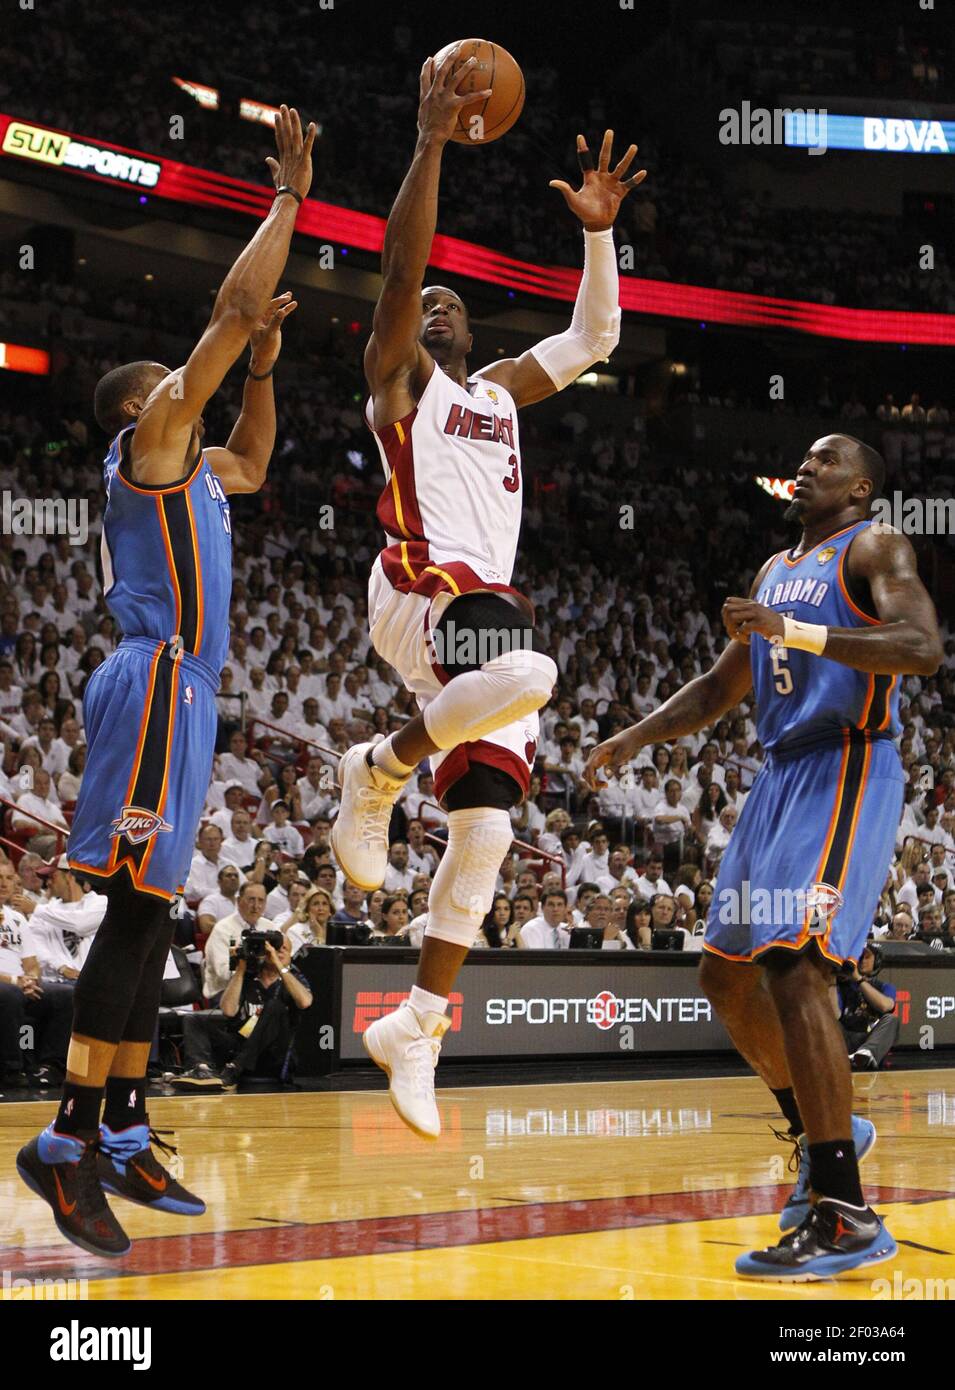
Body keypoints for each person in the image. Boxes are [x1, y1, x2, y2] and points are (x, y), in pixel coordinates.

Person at [16, 107, 316, 1257]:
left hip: (186, 694)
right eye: (174, 387)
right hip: (152, 683)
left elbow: (254, 457)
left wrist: (268, 369)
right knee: (137, 910)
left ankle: (128, 1125)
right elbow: (232, 312)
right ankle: (71, 1135)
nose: (186, 396)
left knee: (156, 909)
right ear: (146, 410)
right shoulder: (145, 454)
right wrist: (286, 202)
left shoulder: (195, 468)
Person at [332, 56, 643, 1140]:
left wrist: (597, 232)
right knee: (533, 670)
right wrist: (427, 143)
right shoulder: (398, 379)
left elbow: (595, 339)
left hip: (478, 606)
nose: (443, 307)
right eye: (433, 303)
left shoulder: (501, 391)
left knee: (487, 831)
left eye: (460, 304)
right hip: (420, 578)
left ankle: (417, 1020)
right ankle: (373, 770)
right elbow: (399, 273)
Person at [585, 433, 943, 1280]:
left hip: (845, 764)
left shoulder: (875, 544)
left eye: (825, 458)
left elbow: (921, 648)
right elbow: (719, 690)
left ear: (859, 487)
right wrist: (634, 735)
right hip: (777, 778)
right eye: (804, 457)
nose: (806, 464)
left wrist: (802, 633)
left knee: (796, 969)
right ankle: (822, 1127)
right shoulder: (773, 569)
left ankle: (845, 1211)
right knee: (724, 977)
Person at [836, 943, 899, 1070]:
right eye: (858, 956)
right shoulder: (842, 986)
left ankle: (866, 1053)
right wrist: (832, 980)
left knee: (892, 1020)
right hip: (845, 1038)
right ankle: (844, 1056)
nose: (862, 961)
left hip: (870, 1039)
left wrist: (858, 980)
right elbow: (834, 1014)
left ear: (876, 961)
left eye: (867, 957)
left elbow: (885, 1006)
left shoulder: (884, 987)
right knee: (831, 1021)